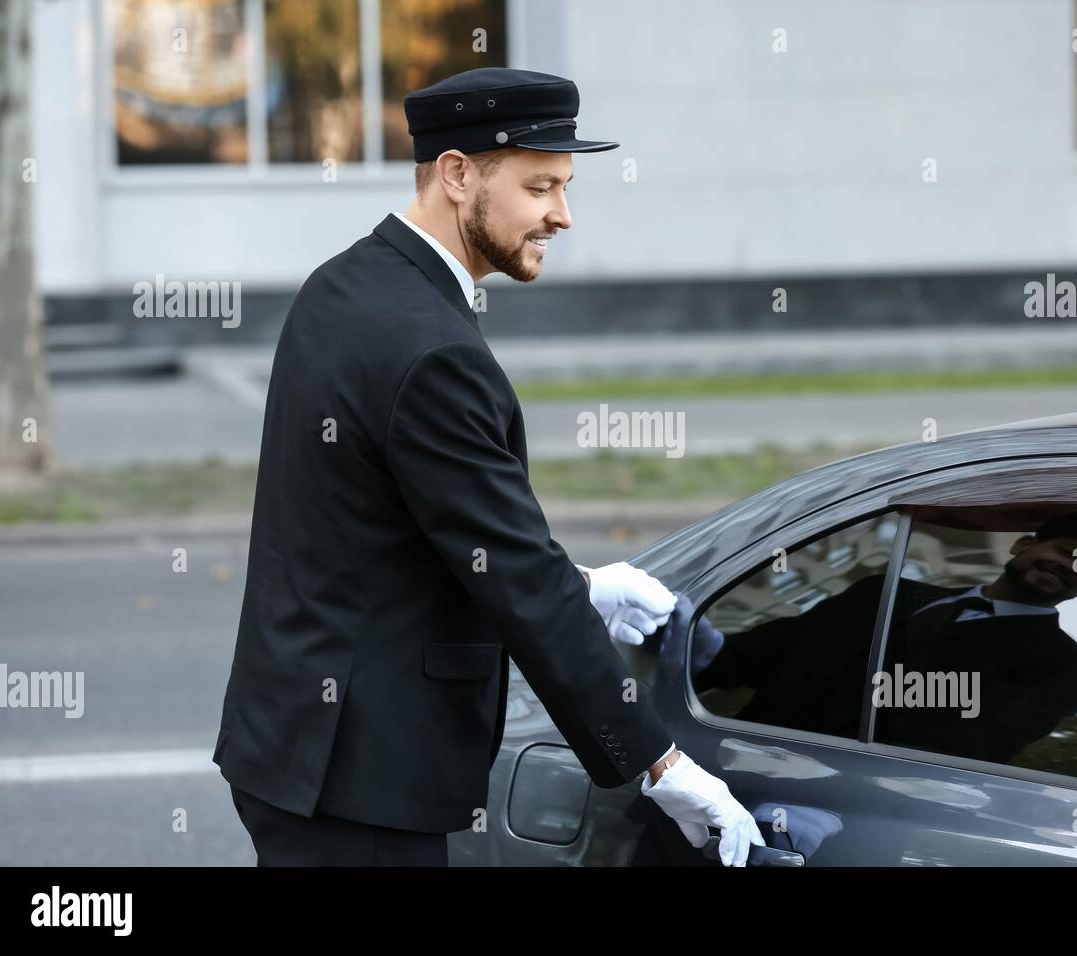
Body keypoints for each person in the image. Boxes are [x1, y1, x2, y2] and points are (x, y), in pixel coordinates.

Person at [213, 67, 762, 866]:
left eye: (566, 187)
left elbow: (398, 520)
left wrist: (581, 582)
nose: (563, 215)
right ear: (458, 172)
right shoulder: (433, 351)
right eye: (541, 186)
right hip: (362, 782)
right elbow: (517, 579)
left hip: (295, 750)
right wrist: (667, 769)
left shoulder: (341, 287)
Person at [693, 511, 1077, 764]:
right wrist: (691, 639)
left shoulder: (1068, 670)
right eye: (1068, 551)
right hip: (724, 777)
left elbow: (969, 747)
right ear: (1023, 544)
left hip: (843, 820)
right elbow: (745, 659)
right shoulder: (882, 592)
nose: (1072, 567)